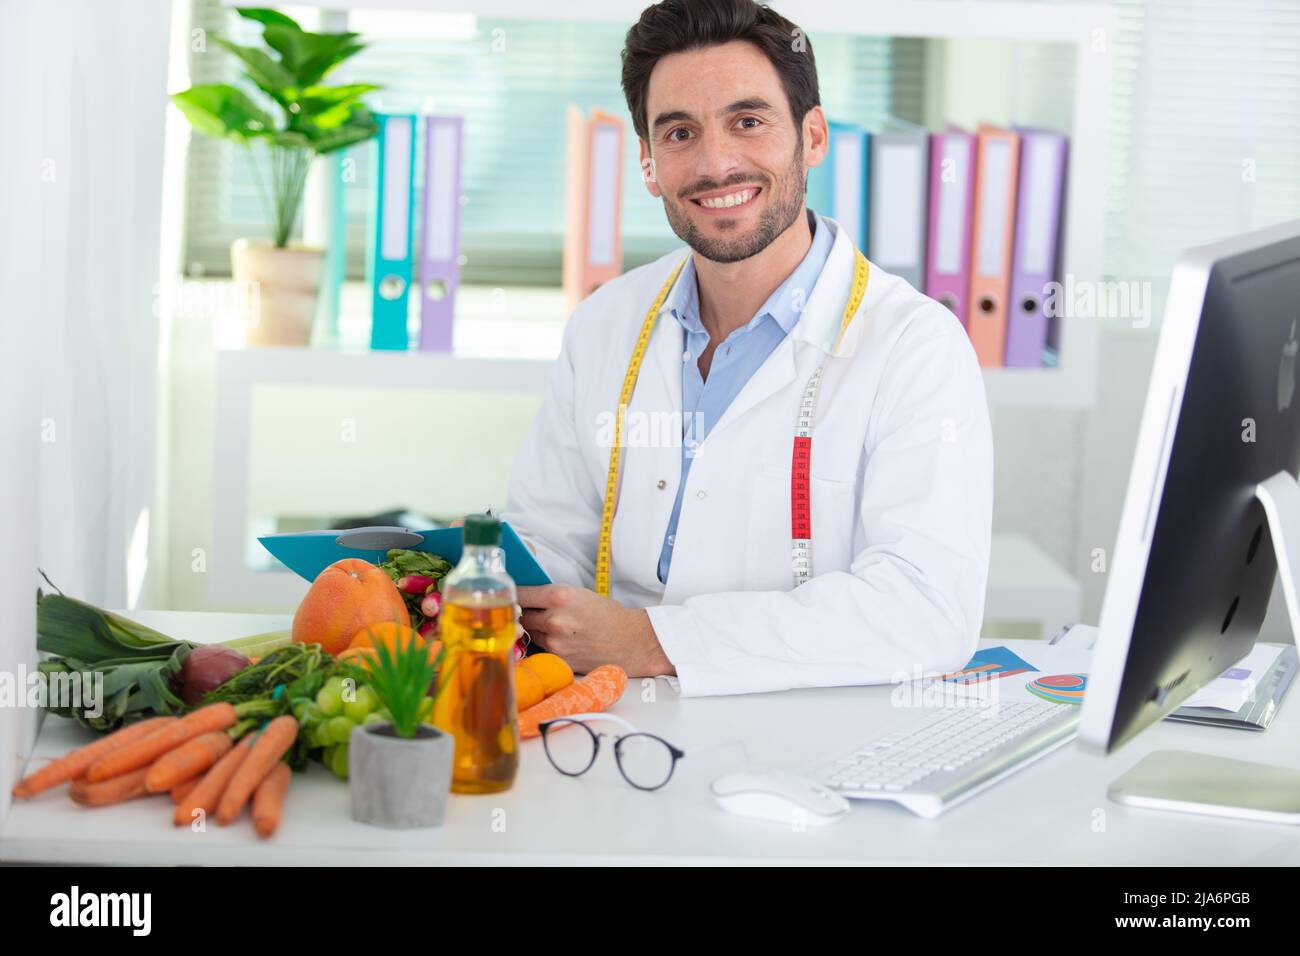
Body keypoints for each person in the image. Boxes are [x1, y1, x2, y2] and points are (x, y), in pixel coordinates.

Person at [502, 0, 993, 696]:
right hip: (612, 726)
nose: (715, 163)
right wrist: (477, 578)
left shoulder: (916, 346)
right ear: (646, 162)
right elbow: (551, 540)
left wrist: (653, 640)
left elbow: (926, 612)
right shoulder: (604, 324)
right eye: (678, 132)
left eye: (749, 121)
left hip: (811, 747)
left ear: (813, 135)